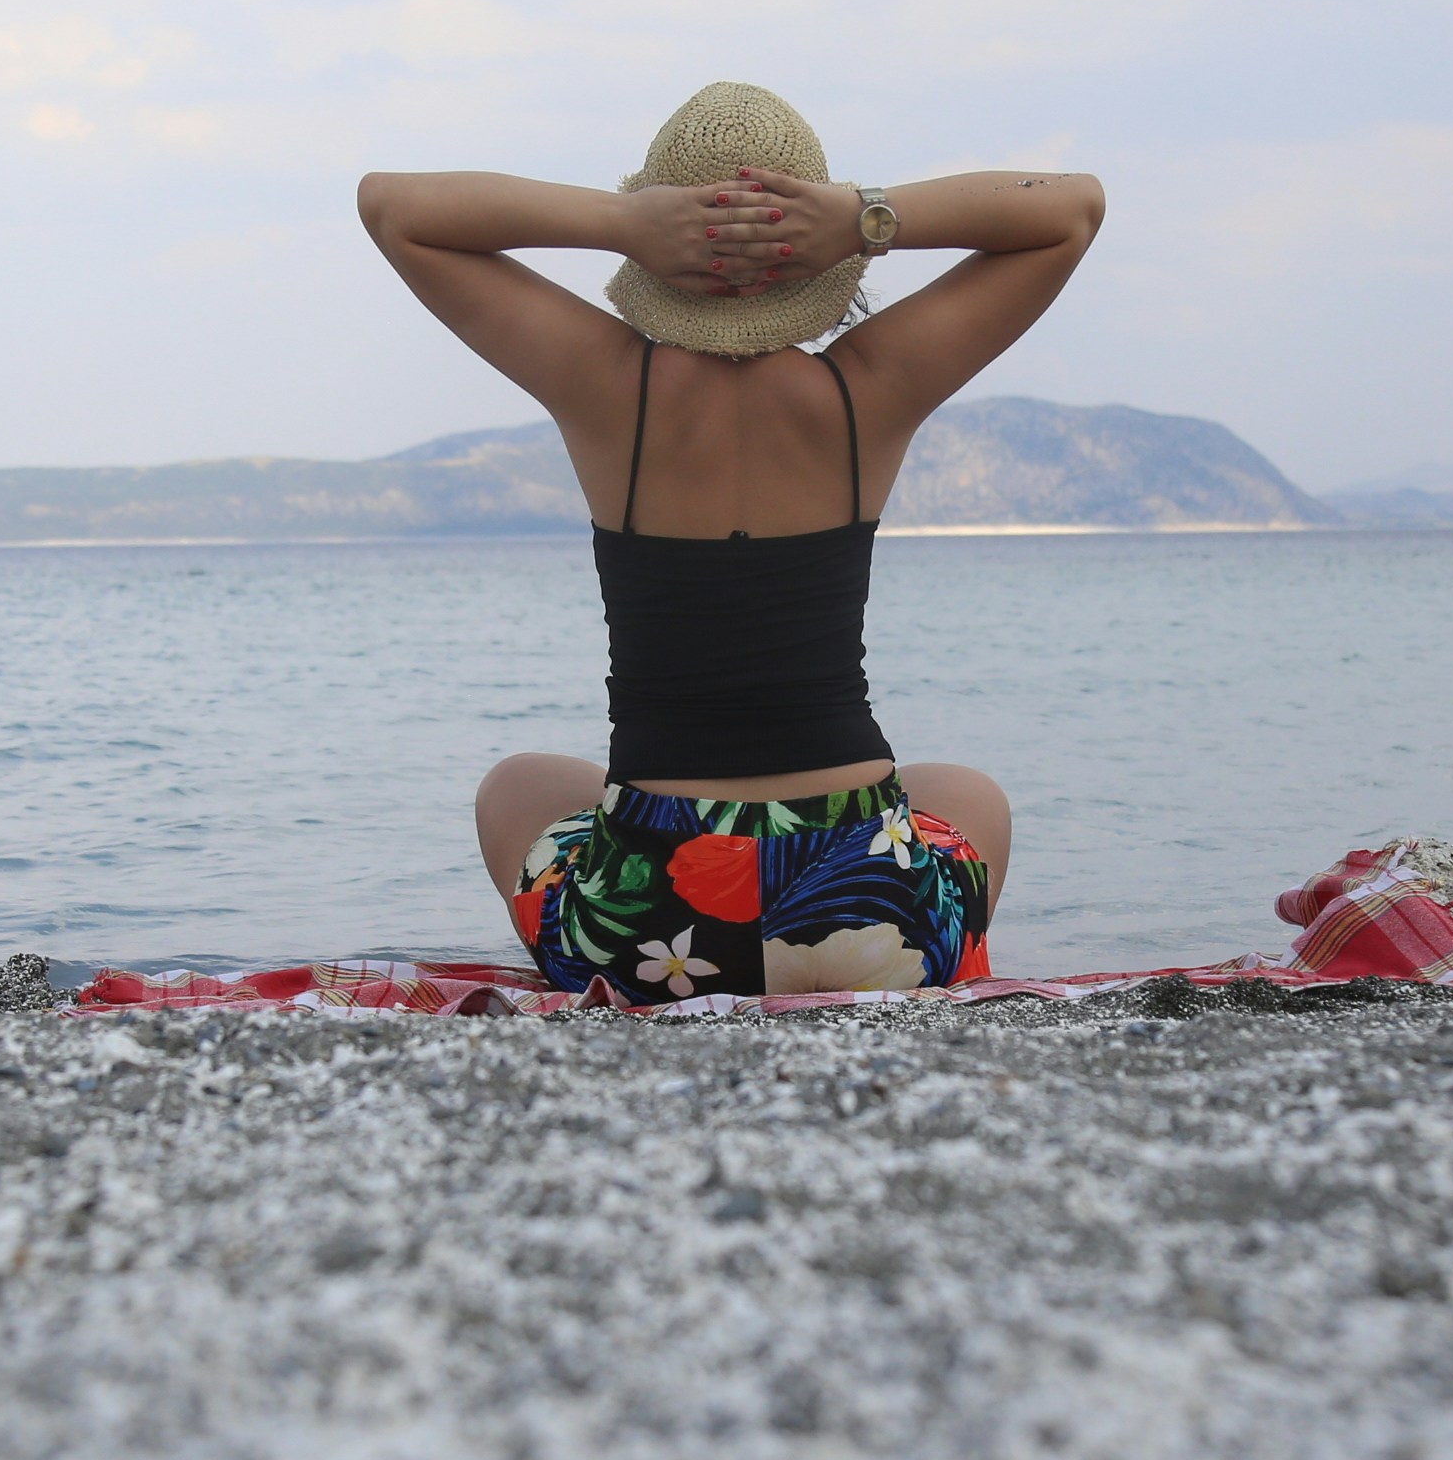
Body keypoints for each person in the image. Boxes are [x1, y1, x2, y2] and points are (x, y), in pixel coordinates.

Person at [356, 81, 1104, 1002]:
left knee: (521, 784)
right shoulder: (870, 387)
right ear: (819, 255)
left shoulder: (604, 386)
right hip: (874, 922)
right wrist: (865, 220)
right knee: (965, 791)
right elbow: (1073, 209)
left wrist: (625, 223)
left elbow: (392, 206)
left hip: (652, 935)